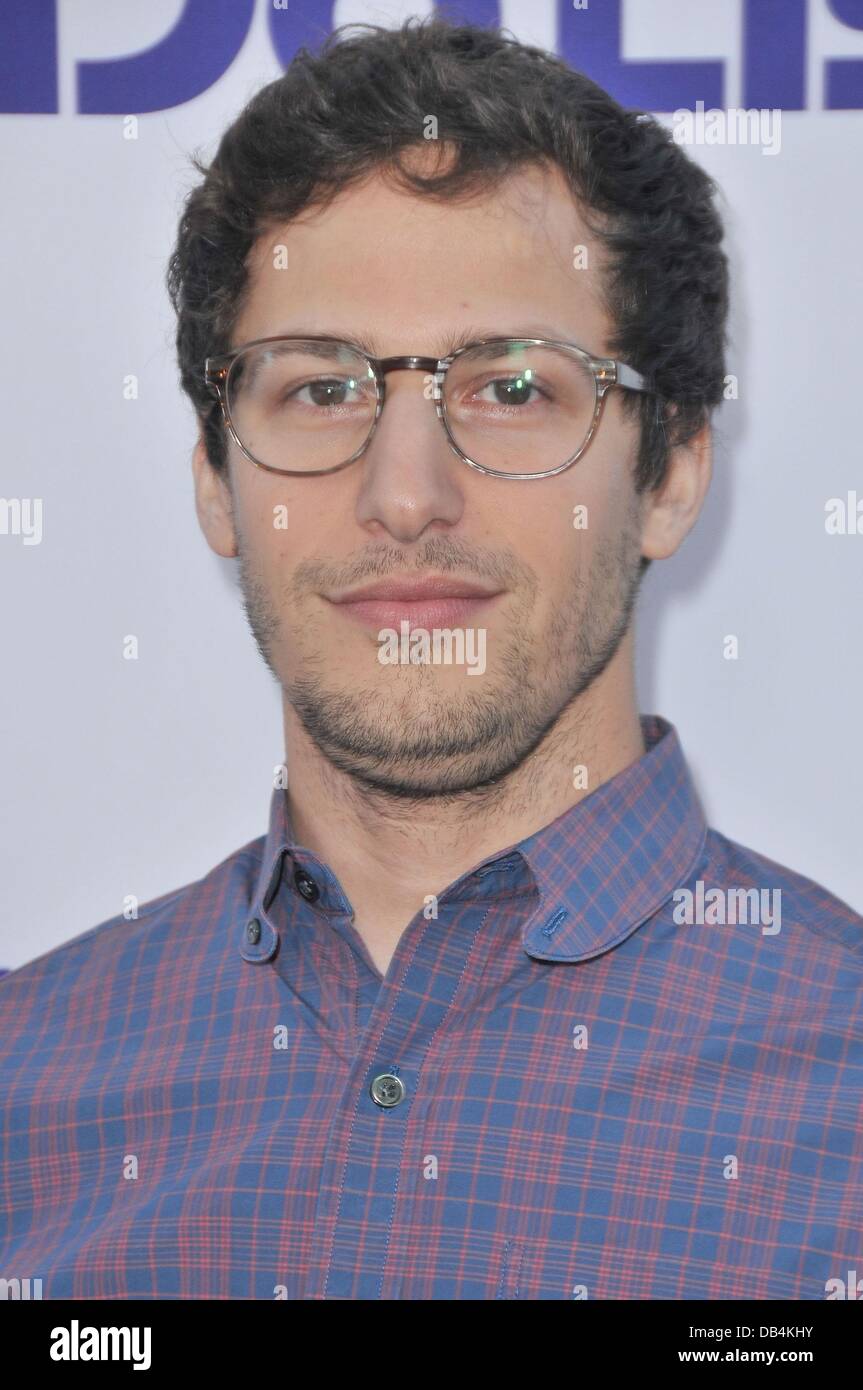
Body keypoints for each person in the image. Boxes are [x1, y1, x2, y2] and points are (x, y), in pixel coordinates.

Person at [1, 17, 860, 1302]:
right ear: (218, 485)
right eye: (320, 388)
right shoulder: (26, 1083)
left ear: (671, 473)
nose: (406, 495)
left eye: (512, 389)